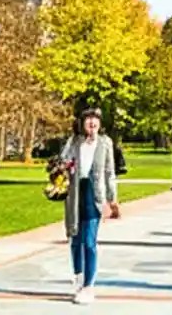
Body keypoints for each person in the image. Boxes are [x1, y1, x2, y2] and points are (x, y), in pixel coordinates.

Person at [60, 107, 120, 305]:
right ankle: (78, 277)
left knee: (89, 241)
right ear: (82, 122)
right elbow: (62, 162)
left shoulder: (106, 143)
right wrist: (64, 165)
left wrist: (112, 200)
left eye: (95, 120)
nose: (92, 123)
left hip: (94, 195)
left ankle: (88, 285)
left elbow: (110, 172)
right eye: (89, 120)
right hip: (75, 192)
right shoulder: (74, 142)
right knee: (75, 239)